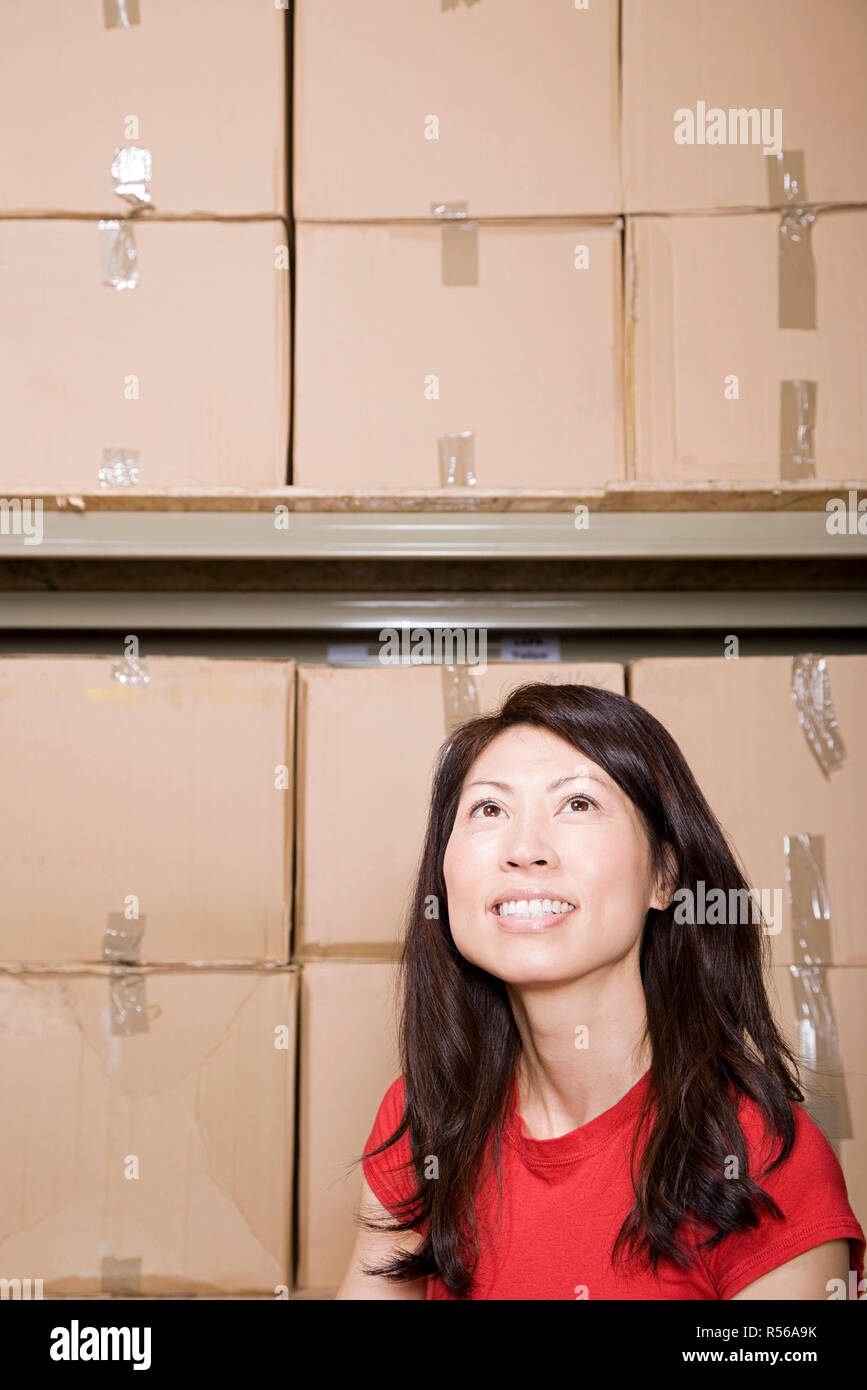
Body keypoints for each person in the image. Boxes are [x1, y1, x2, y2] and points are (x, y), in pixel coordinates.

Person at [336, 682, 864, 1300]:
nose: (525, 850)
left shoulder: (762, 1156)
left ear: (664, 877)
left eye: (579, 804)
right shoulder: (425, 1118)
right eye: (488, 810)